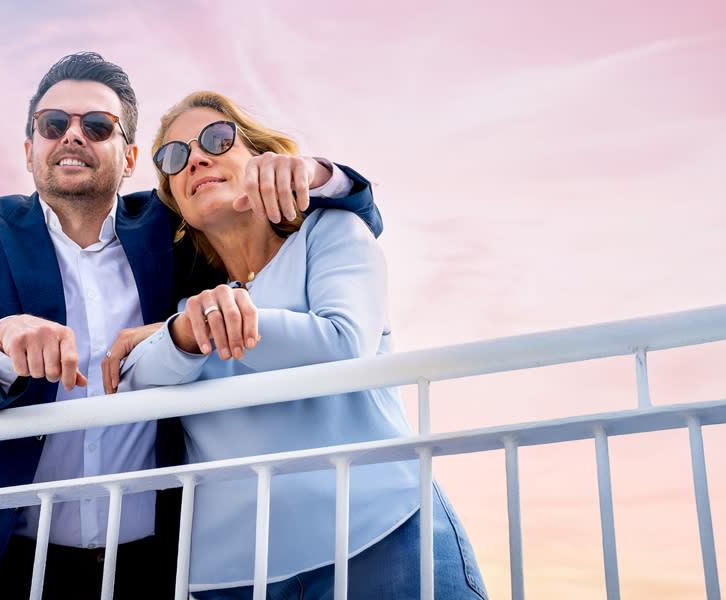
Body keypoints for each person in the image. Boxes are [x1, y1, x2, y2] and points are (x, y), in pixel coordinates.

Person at [0, 52, 382, 600]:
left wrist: (317, 175)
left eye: (97, 126)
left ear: (129, 156)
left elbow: (351, 219)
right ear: (29, 149)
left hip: (154, 563)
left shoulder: (172, 226)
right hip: (4, 556)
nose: (72, 136)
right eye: (53, 124)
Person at [114, 91, 488, 599]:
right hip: (232, 577)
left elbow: (341, 343)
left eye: (216, 139)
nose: (196, 157)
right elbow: (134, 380)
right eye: (173, 157)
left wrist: (209, 324)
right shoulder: (186, 303)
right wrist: (183, 327)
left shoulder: (331, 232)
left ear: (260, 159)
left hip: (383, 536)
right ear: (175, 200)